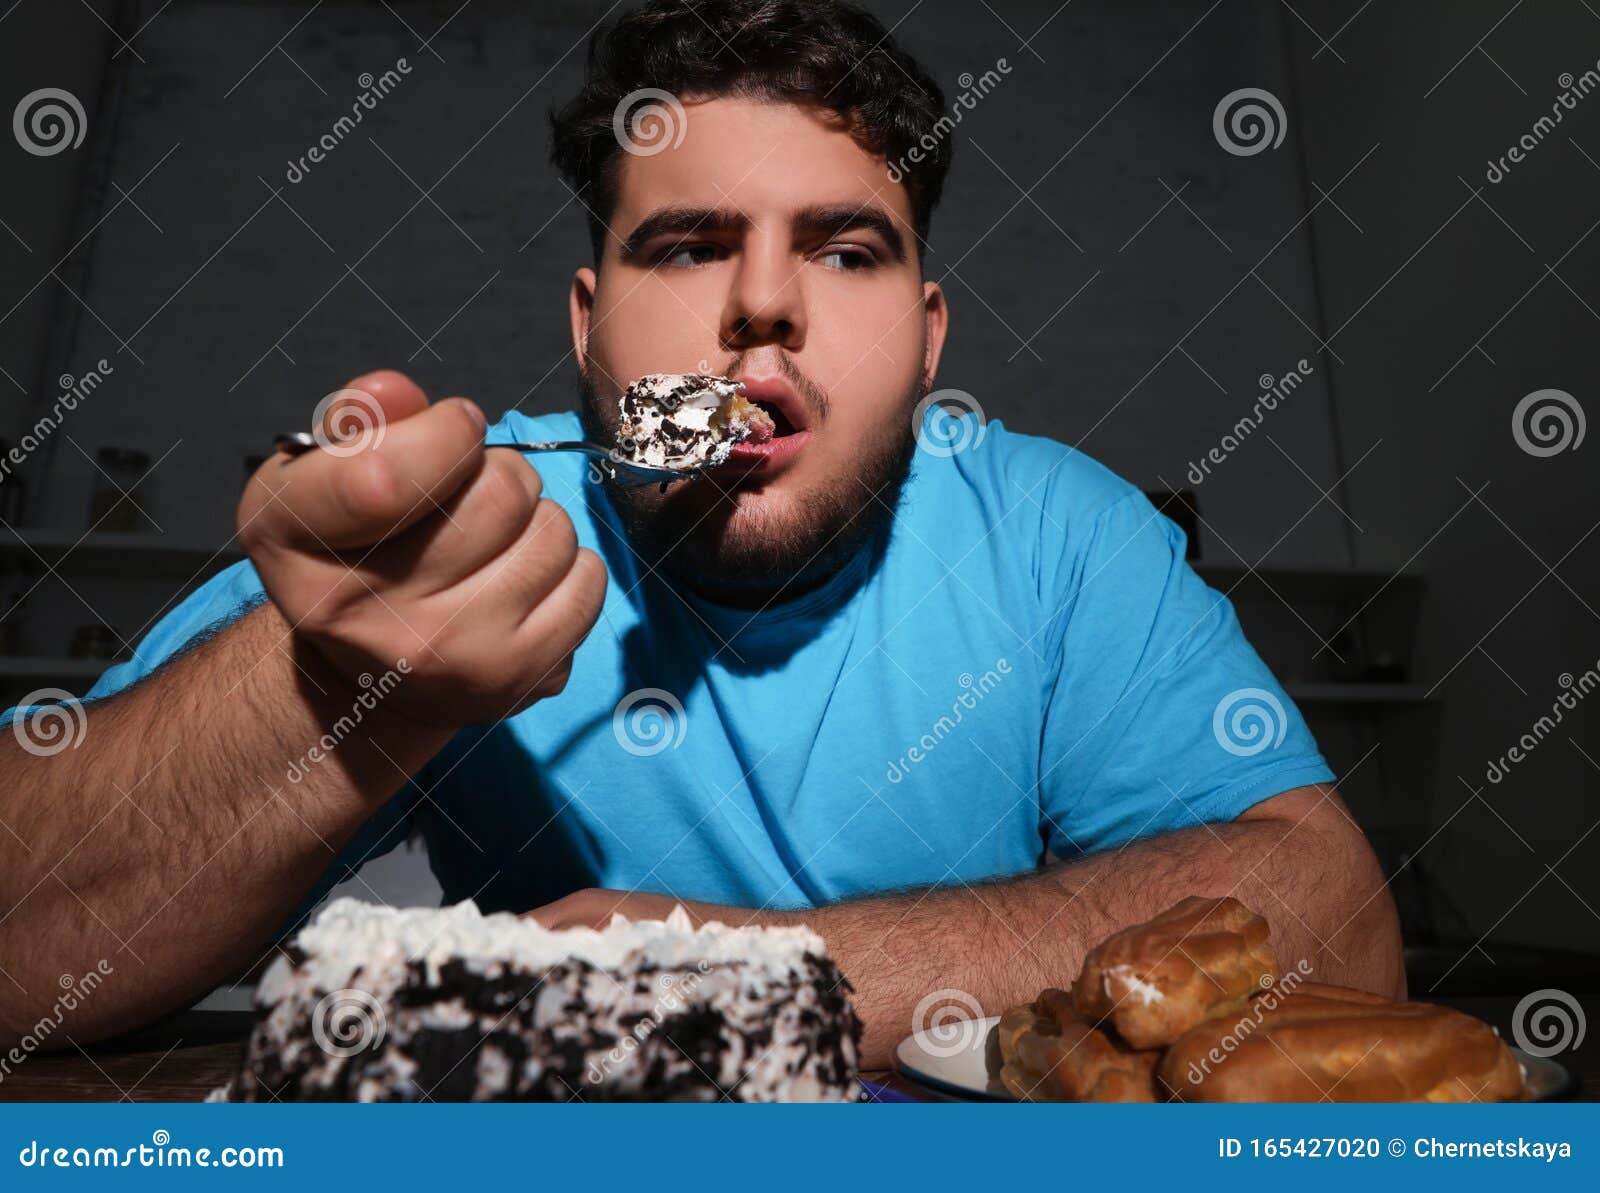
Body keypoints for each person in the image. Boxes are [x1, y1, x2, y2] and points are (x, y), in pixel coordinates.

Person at [0, 0, 1401, 1070]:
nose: (765, 305)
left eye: (847, 250)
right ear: (587, 325)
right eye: (686, 247)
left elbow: (1338, 915)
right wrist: (335, 691)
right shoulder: (470, 525)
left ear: (926, 346)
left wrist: (715, 974)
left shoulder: (1057, 533)